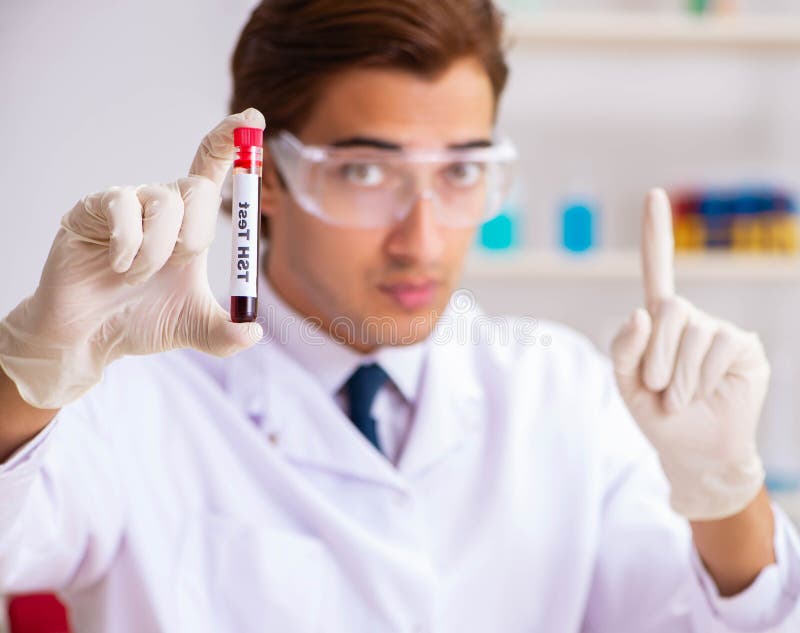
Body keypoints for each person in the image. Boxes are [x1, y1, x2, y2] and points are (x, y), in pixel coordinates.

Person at [0, 1, 798, 631]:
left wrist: (725, 491)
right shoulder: (134, 398)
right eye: (364, 170)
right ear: (263, 178)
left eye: (461, 172)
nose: (422, 238)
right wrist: (29, 370)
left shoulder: (562, 389)